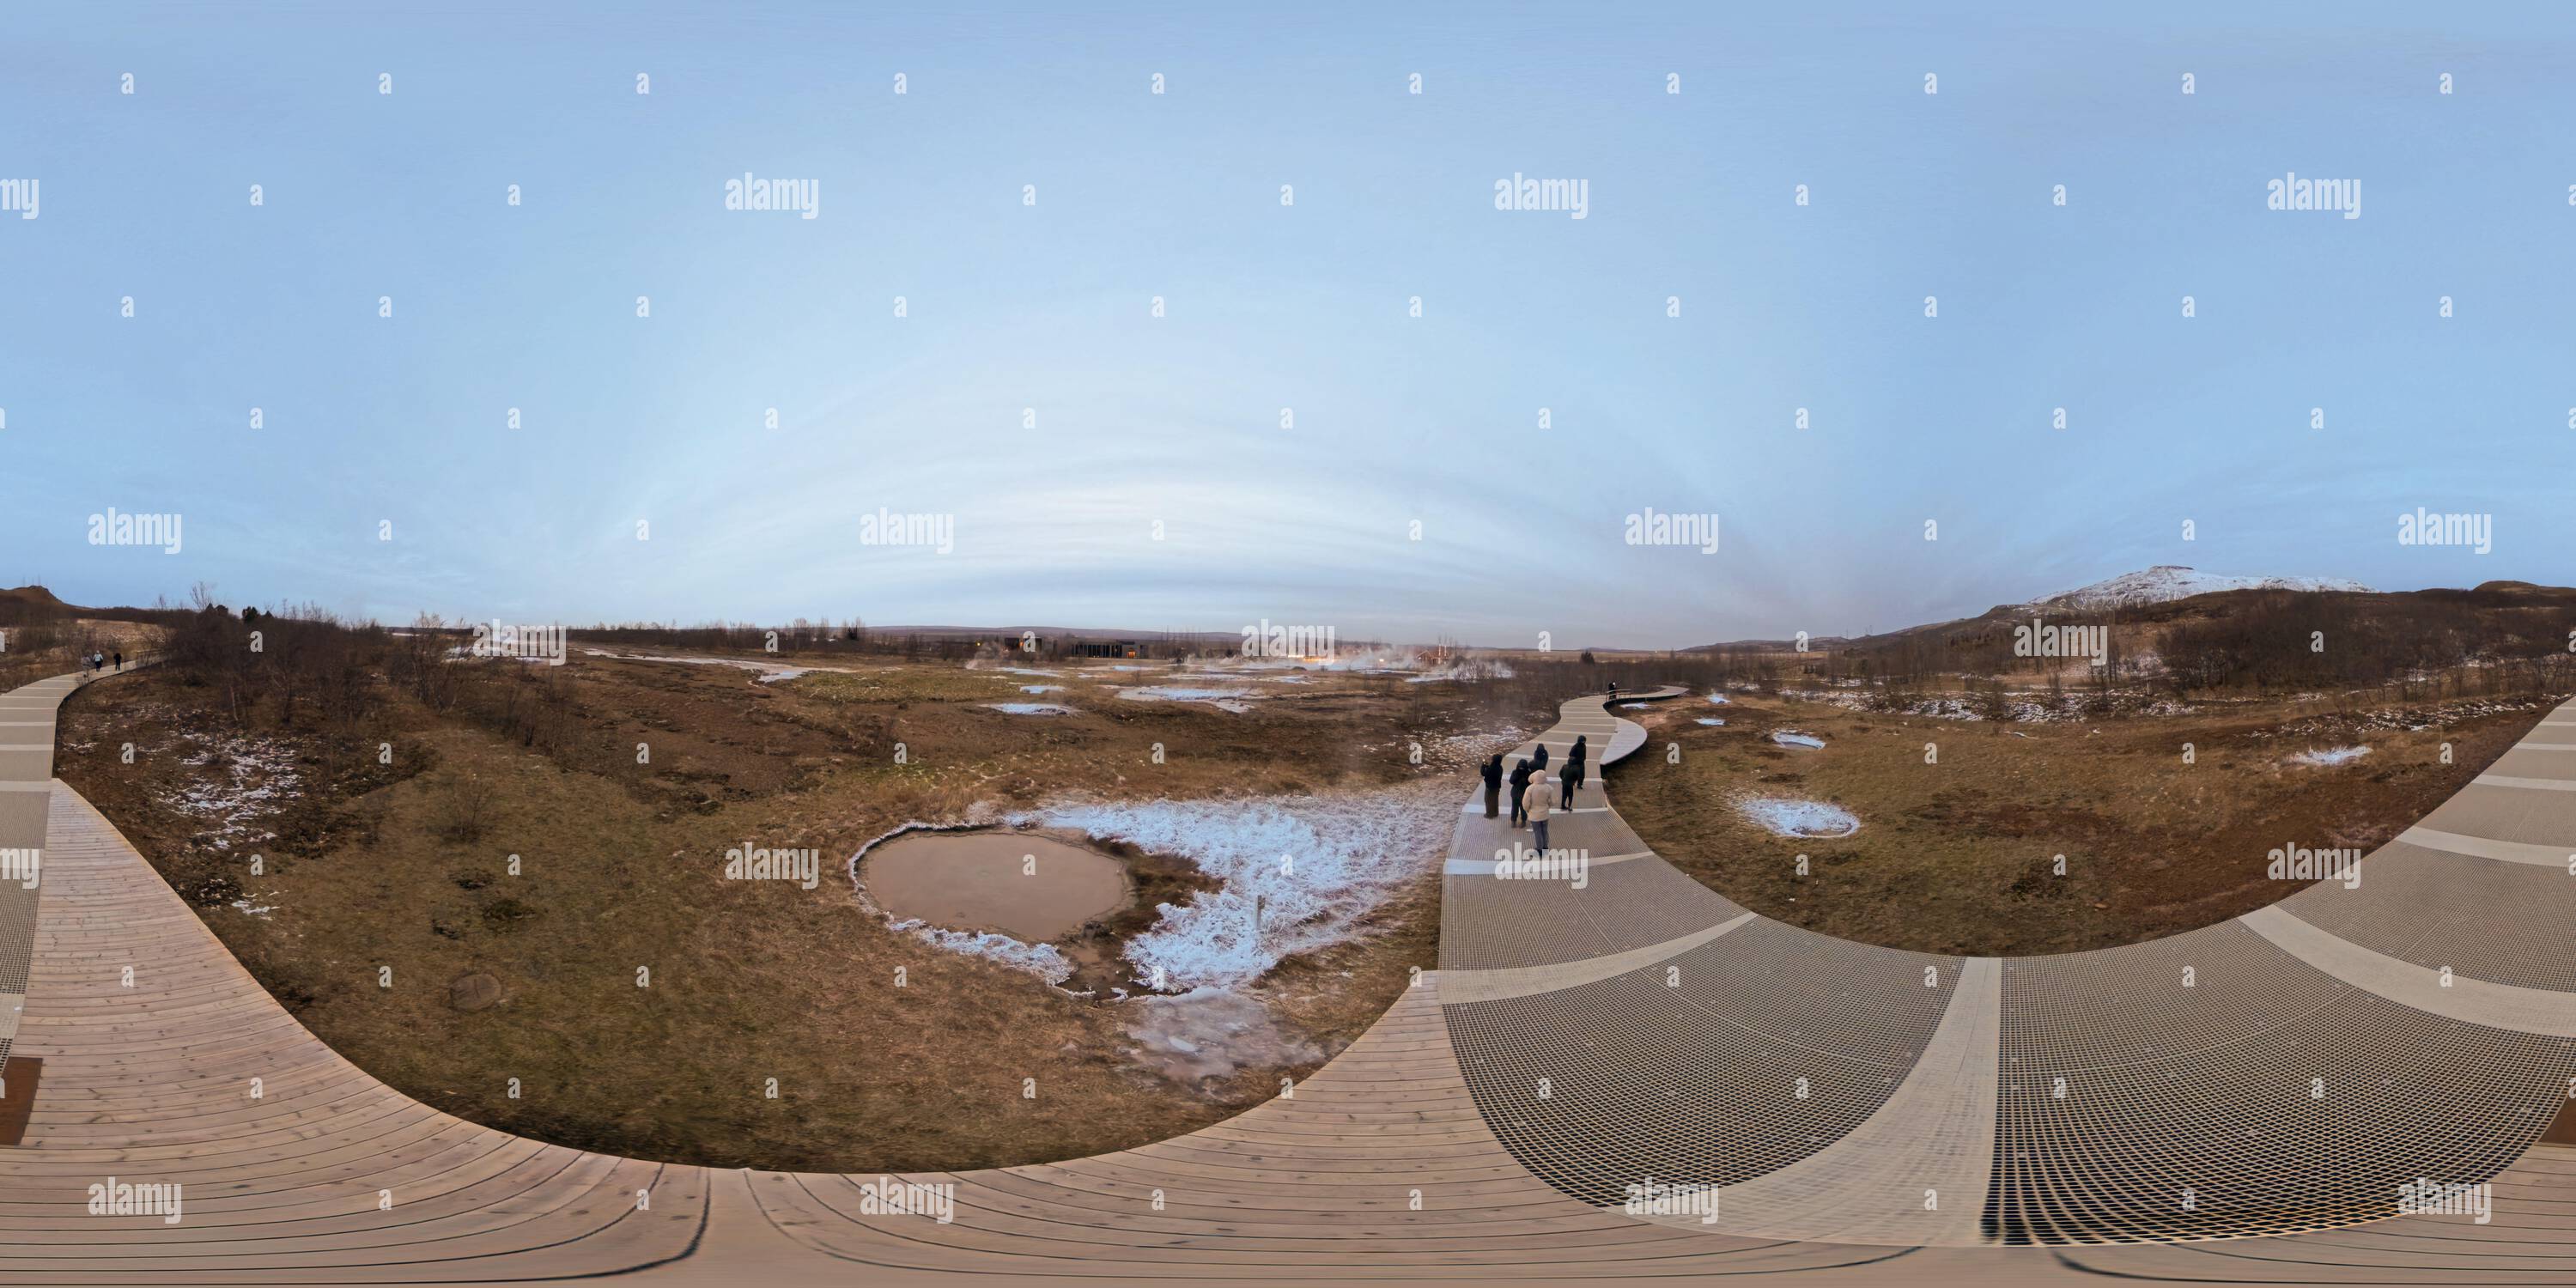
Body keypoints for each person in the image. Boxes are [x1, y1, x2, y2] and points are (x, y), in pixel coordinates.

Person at [1523, 762, 1553, 855]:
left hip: (1534, 815)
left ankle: (1539, 850)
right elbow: (1553, 801)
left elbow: (1525, 803)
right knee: (1545, 831)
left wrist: (1528, 810)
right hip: (1545, 814)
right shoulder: (1549, 788)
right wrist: (1548, 806)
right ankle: (1545, 847)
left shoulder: (1530, 788)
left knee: (1537, 832)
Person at [1561, 734, 1589, 810]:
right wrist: (1574, 760)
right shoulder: (1575, 746)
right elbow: (1570, 754)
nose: (1584, 742)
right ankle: (1574, 782)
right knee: (1576, 774)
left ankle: (1579, 784)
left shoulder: (1584, 746)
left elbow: (1584, 753)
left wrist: (1584, 758)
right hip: (1576, 763)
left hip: (1582, 762)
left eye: (1584, 740)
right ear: (1580, 741)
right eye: (1583, 740)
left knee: (1582, 774)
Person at [1507, 756, 1534, 828]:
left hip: (1524, 794)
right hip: (1515, 793)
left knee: (1523, 809)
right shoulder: (1515, 772)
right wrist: (1518, 776)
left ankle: (1523, 821)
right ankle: (1513, 821)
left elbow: (1530, 783)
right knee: (1515, 808)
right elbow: (1511, 781)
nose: (1521, 769)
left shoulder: (1528, 773)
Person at [1479, 754, 1504, 819]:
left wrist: (1483, 765)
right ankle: (1495, 812)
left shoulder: (1491, 768)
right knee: (1495, 800)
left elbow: (1483, 773)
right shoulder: (1500, 767)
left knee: (1488, 800)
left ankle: (1489, 814)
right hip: (1497, 787)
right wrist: (1488, 766)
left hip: (1490, 788)